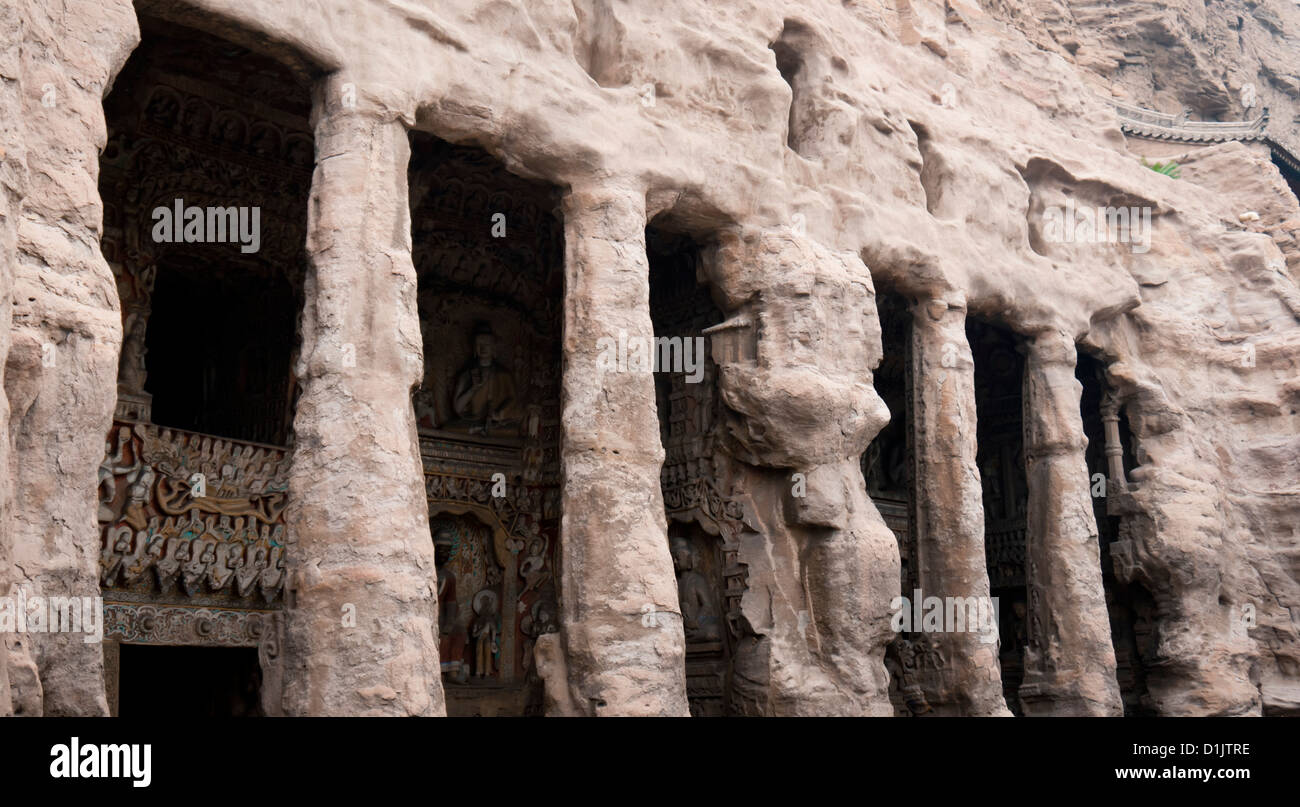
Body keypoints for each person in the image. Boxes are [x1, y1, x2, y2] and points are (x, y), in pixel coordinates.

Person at [450, 323, 520, 435]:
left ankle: (482, 430)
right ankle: (477, 430)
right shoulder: (466, 374)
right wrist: (473, 388)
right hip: (470, 421)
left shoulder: (504, 375)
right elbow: (458, 408)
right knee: (449, 428)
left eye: (487, 344)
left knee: (513, 431)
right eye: (479, 344)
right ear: (474, 347)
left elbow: (513, 399)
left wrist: (499, 414)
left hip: (494, 422)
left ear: (494, 347)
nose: (483, 348)